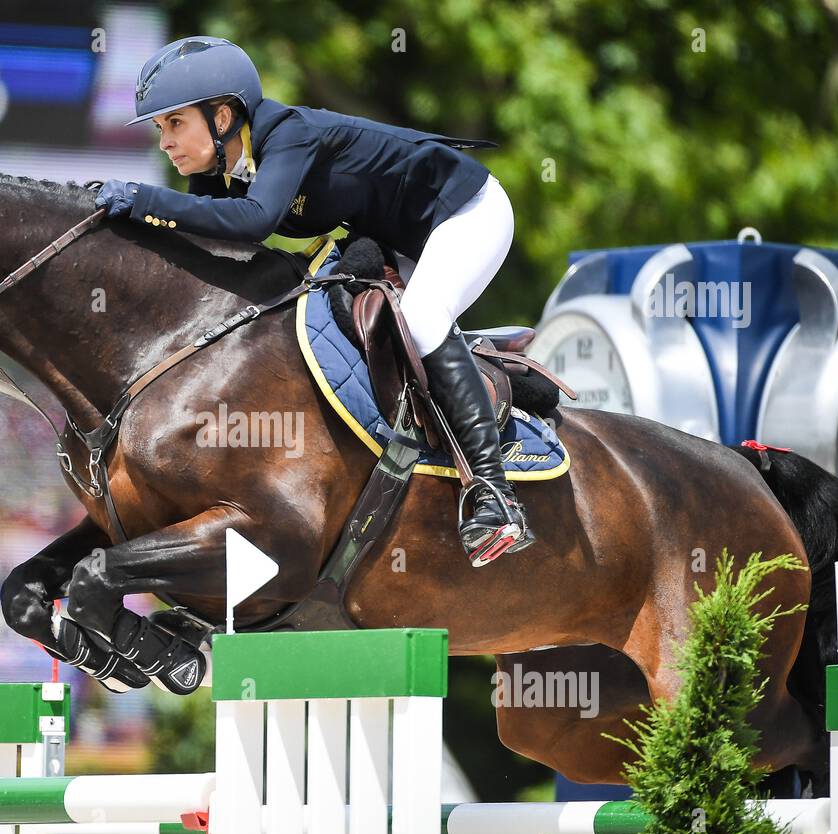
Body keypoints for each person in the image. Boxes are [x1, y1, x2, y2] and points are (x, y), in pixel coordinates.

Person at [96, 36, 532, 566]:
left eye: (174, 123)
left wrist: (144, 200)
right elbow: (206, 252)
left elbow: (254, 222)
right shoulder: (223, 172)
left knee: (421, 318)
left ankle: (494, 494)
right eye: (160, 129)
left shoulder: (288, 135)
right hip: (397, 239)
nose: (164, 142)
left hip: (464, 214)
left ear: (224, 116)